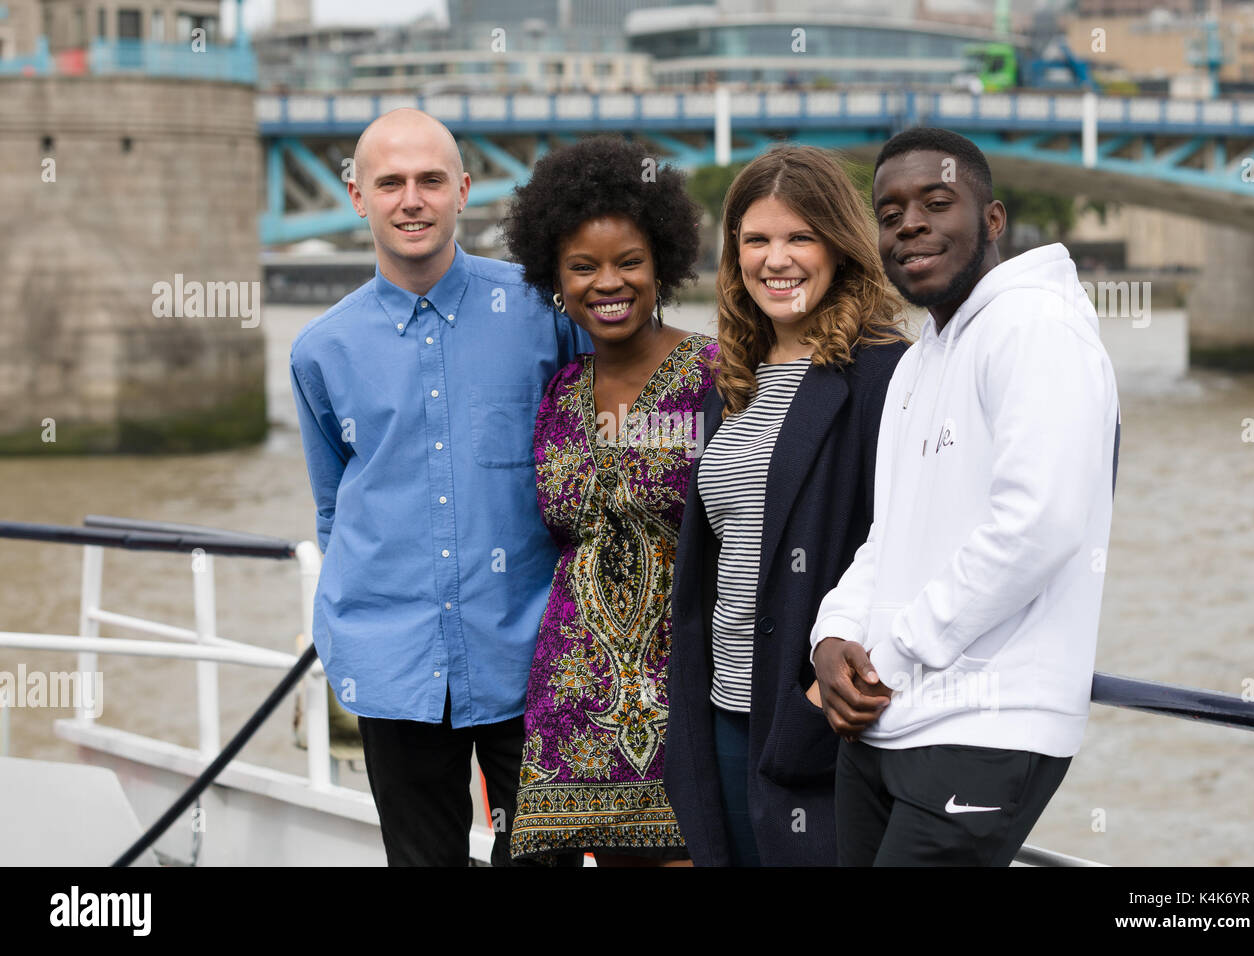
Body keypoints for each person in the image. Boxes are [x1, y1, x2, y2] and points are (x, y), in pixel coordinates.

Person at [811, 127, 1120, 866]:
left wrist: (896, 650)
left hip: (986, 727)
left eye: (936, 202)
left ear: (993, 219)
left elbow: (1039, 525)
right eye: (889, 213)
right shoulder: (921, 358)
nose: (909, 223)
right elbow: (890, 534)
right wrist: (831, 636)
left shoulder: (1036, 329)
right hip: (886, 722)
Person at [289, 108, 589, 866]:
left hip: (532, 653)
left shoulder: (541, 310)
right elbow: (335, 506)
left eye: (429, 180)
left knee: (546, 859)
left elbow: (594, 456)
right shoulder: (321, 350)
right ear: (358, 197)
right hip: (394, 660)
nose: (411, 200)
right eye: (390, 183)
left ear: (462, 189)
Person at [664, 145, 910, 866]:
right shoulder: (730, 380)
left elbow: (907, 549)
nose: (778, 260)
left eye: (800, 236)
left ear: (839, 245)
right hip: (722, 717)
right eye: (757, 239)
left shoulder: (882, 373)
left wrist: (812, 705)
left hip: (810, 724)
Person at [500, 137, 716, 866]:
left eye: (628, 261)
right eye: (582, 267)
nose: (608, 282)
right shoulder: (560, 393)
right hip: (572, 711)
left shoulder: (718, 376)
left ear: (662, 264)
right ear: (555, 279)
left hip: (686, 700)